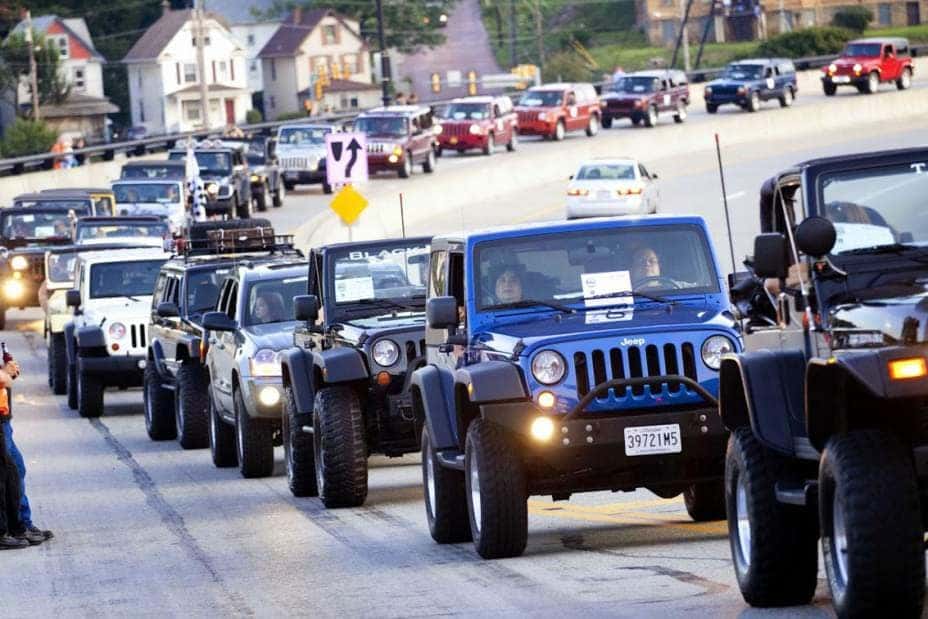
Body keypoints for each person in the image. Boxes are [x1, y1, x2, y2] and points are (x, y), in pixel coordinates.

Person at [0, 358, 51, 547]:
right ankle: (13, 528)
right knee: (8, 473)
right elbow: (4, 379)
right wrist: (6, 373)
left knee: (14, 471)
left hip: (3, 418)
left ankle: (21, 525)